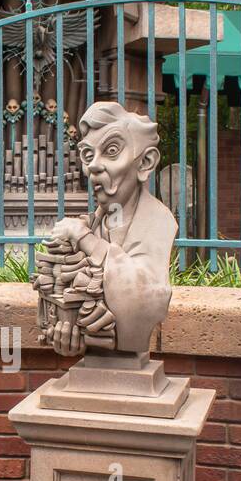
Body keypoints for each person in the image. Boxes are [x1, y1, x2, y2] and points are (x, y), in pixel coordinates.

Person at [36, 101, 175, 357]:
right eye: (88, 155)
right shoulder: (94, 221)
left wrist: (85, 239)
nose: (93, 167)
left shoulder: (160, 221)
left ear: (145, 162)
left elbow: (145, 296)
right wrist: (70, 332)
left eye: (111, 150)